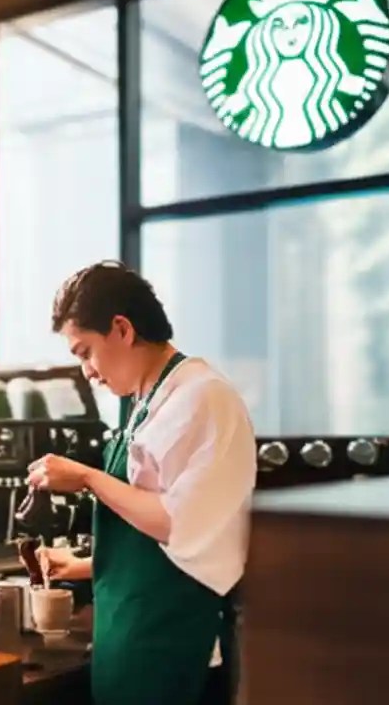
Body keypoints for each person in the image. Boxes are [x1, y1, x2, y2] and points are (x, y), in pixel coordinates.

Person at [26, 260, 257, 705]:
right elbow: (151, 540)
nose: (87, 372)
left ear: (122, 329)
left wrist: (86, 477)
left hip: (170, 643)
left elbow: (178, 524)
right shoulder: (149, 402)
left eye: (85, 352)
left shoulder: (202, 396)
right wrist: (84, 565)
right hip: (130, 637)